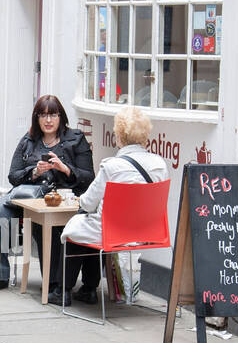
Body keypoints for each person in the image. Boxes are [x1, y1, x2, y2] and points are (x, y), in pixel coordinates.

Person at [0, 95, 95, 300]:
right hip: (27, 195)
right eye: (43, 115)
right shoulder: (28, 140)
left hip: (59, 199)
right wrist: (34, 171)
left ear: (61, 117)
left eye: (53, 114)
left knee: (45, 224)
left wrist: (65, 168)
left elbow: (89, 177)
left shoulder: (76, 139)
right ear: (37, 118)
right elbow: (13, 176)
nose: (48, 120)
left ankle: (54, 283)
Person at [60, 104, 169, 305]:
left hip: (115, 233)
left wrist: (81, 202)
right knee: (93, 227)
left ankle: (65, 290)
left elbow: (88, 202)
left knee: (75, 227)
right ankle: (89, 289)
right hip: (147, 233)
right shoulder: (159, 164)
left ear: (119, 136)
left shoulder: (112, 166)